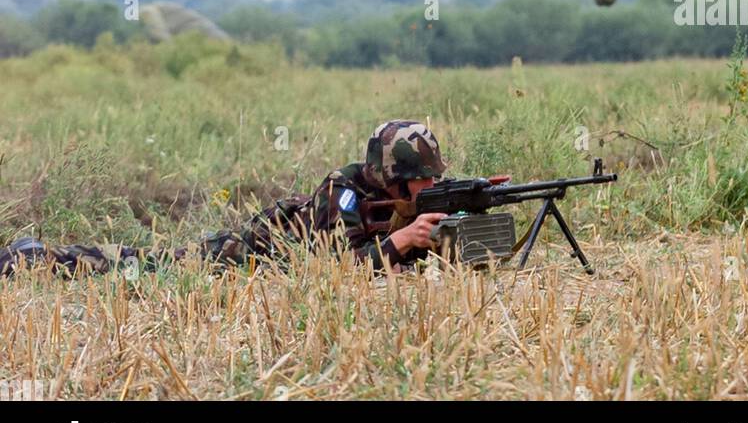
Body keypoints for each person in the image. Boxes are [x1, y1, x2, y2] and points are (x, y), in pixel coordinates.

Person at [0, 120, 448, 278]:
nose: (428, 189)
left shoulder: (393, 196)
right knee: (137, 266)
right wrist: (403, 240)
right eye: (422, 181)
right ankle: (35, 259)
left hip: (262, 257)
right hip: (237, 257)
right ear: (395, 175)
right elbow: (340, 270)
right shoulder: (342, 193)